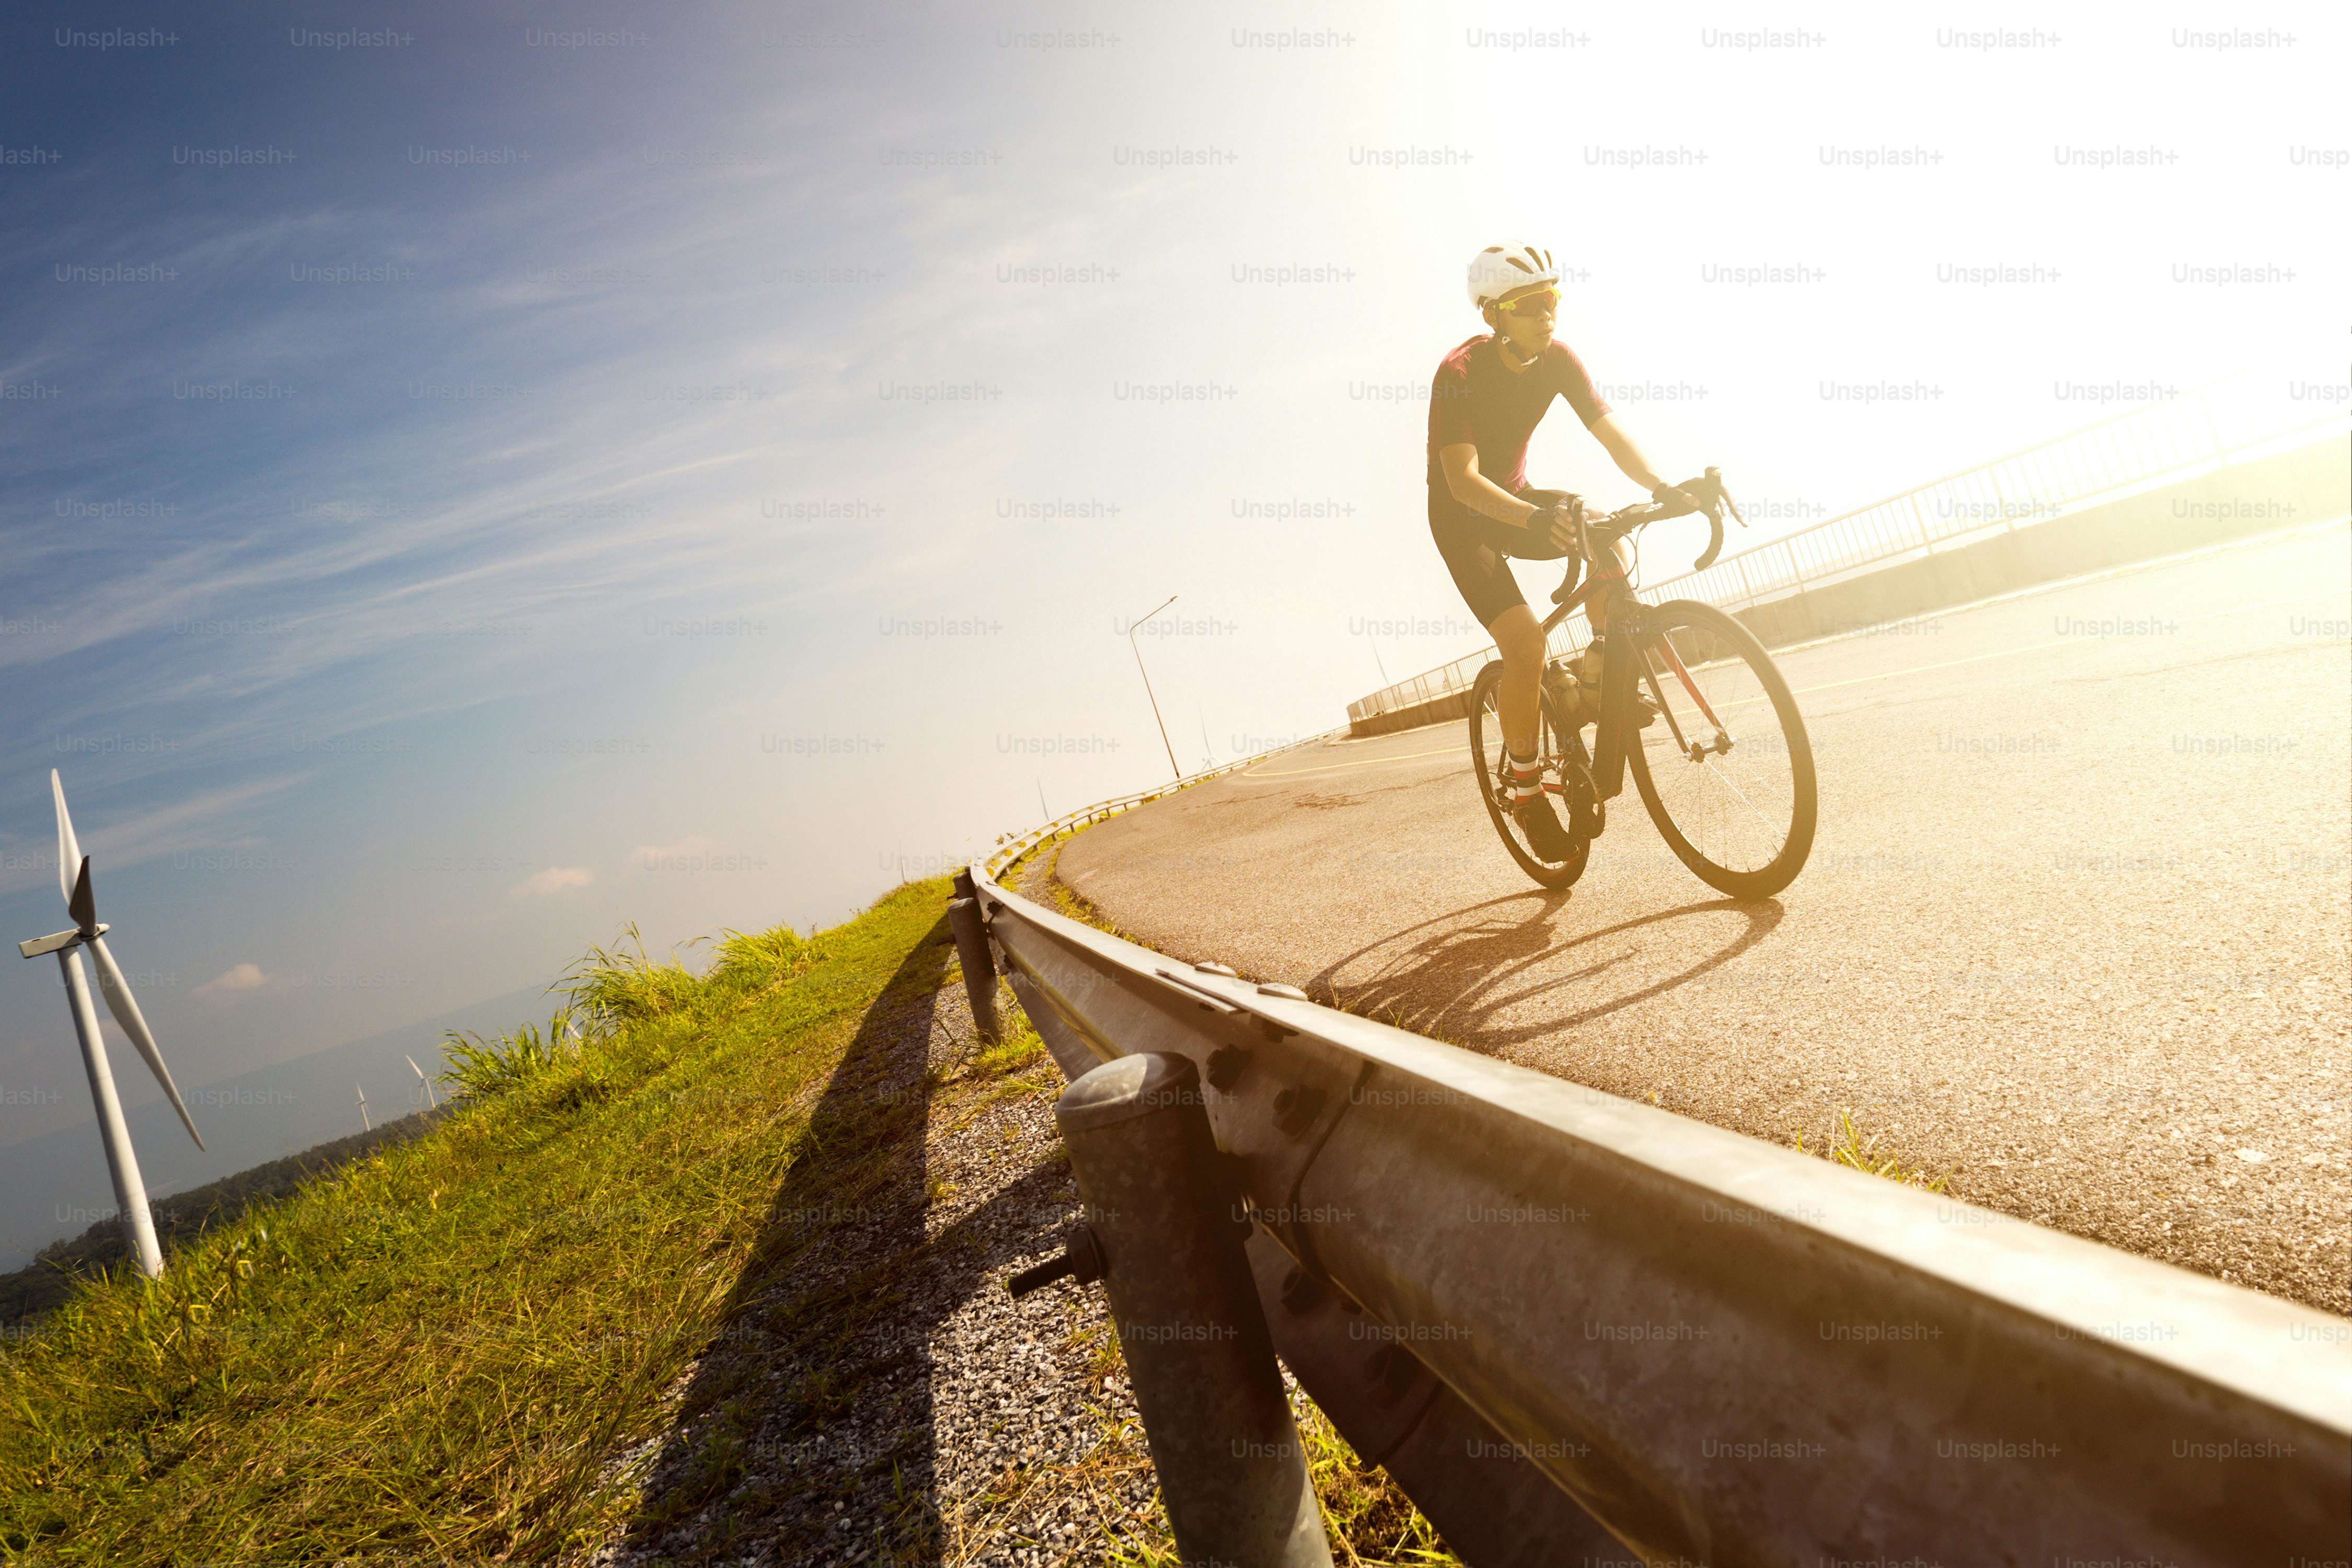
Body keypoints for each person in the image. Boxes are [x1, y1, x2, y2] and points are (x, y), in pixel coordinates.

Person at [1427, 240, 1709, 862]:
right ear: (1493, 315)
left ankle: (1591, 676)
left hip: (1519, 497)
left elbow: (1609, 432)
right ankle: (1527, 793)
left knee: (1606, 534)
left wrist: (1664, 488)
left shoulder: (1559, 360)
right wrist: (1533, 518)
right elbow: (1462, 482)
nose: (1544, 312)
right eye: (1527, 303)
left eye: (1551, 297)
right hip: (1465, 519)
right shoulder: (1460, 372)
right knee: (1525, 644)